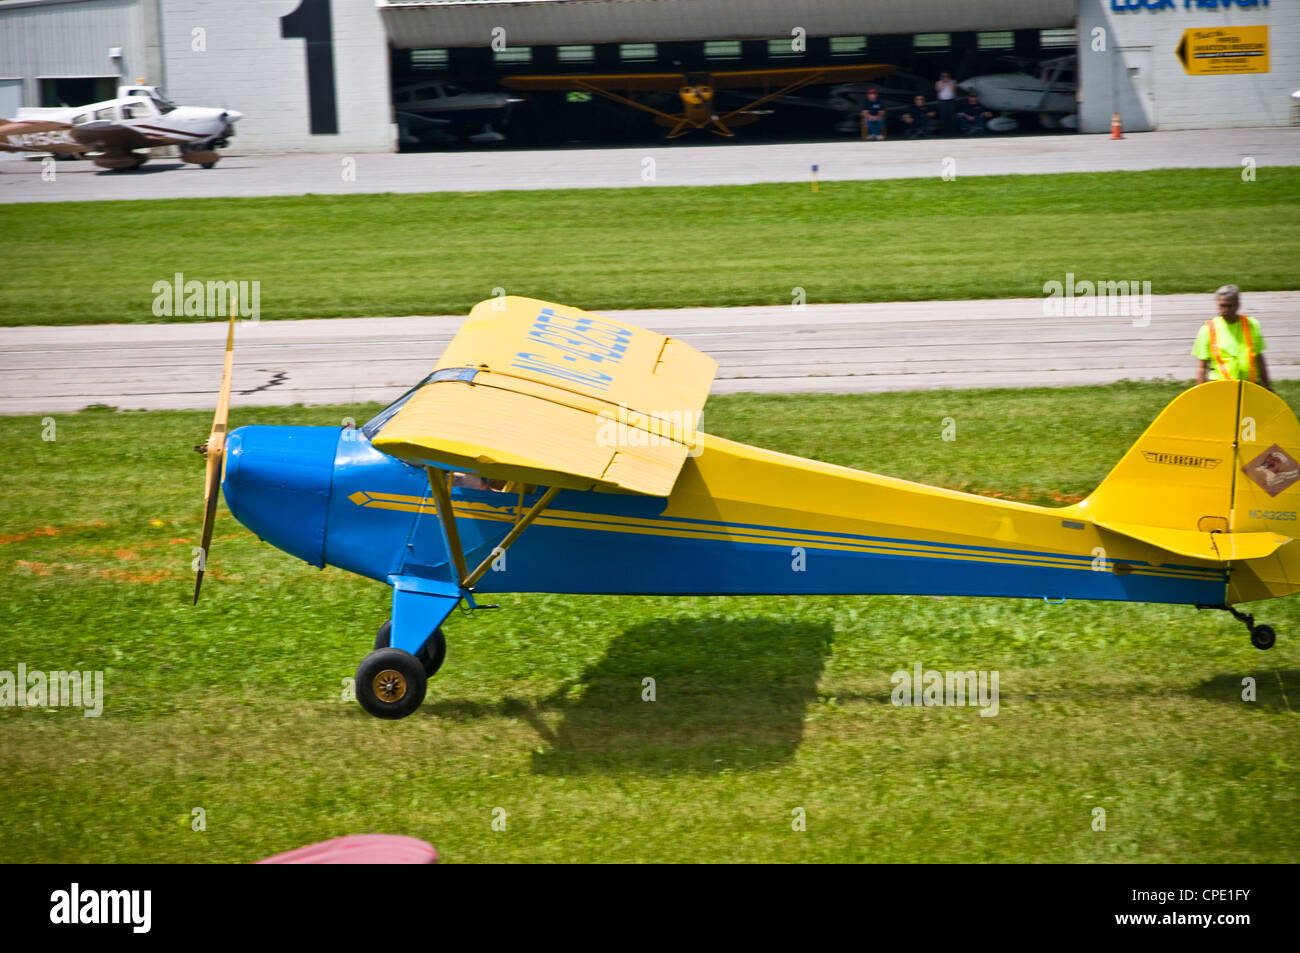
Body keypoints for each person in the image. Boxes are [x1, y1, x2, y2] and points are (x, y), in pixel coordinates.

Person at [1192, 284, 1271, 389]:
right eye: (1222, 306)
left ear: (1238, 305)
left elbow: (1259, 359)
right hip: (1221, 386)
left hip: (1250, 385)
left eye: (1229, 306)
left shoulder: (1252, 325)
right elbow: (1202, 366)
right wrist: (1200, 392)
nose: (1225, 310)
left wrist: (1267, 386)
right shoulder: (1208, 329)